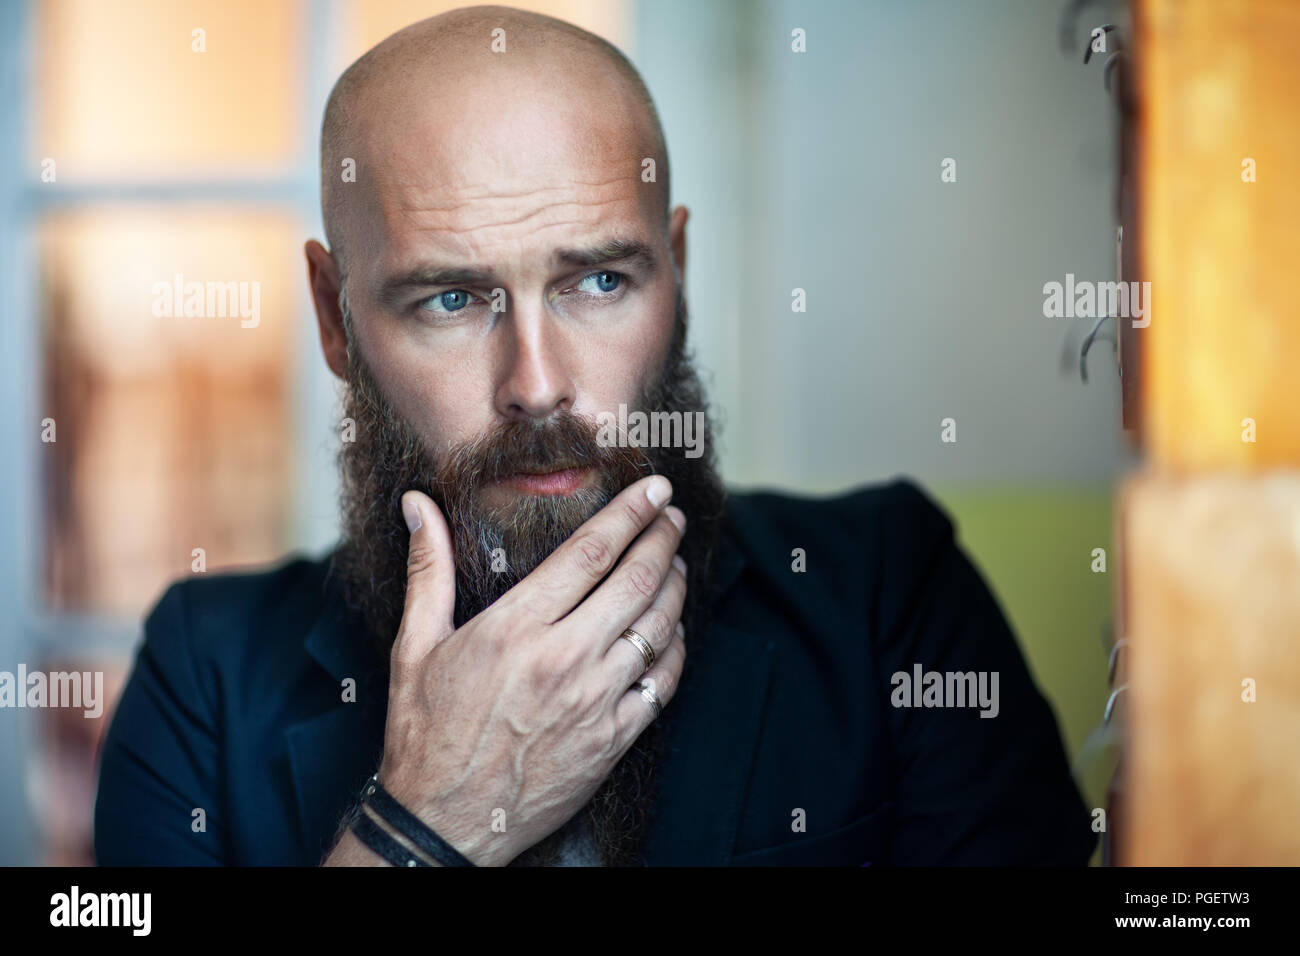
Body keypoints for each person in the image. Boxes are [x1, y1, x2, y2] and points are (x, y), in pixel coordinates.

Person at [93, 5, 1095, 867]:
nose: (538, 385)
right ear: (333, 317)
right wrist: (421, 824)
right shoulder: (204, 677)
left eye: (600, 281)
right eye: (449, 297)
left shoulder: (888, 600)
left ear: (679, 275)